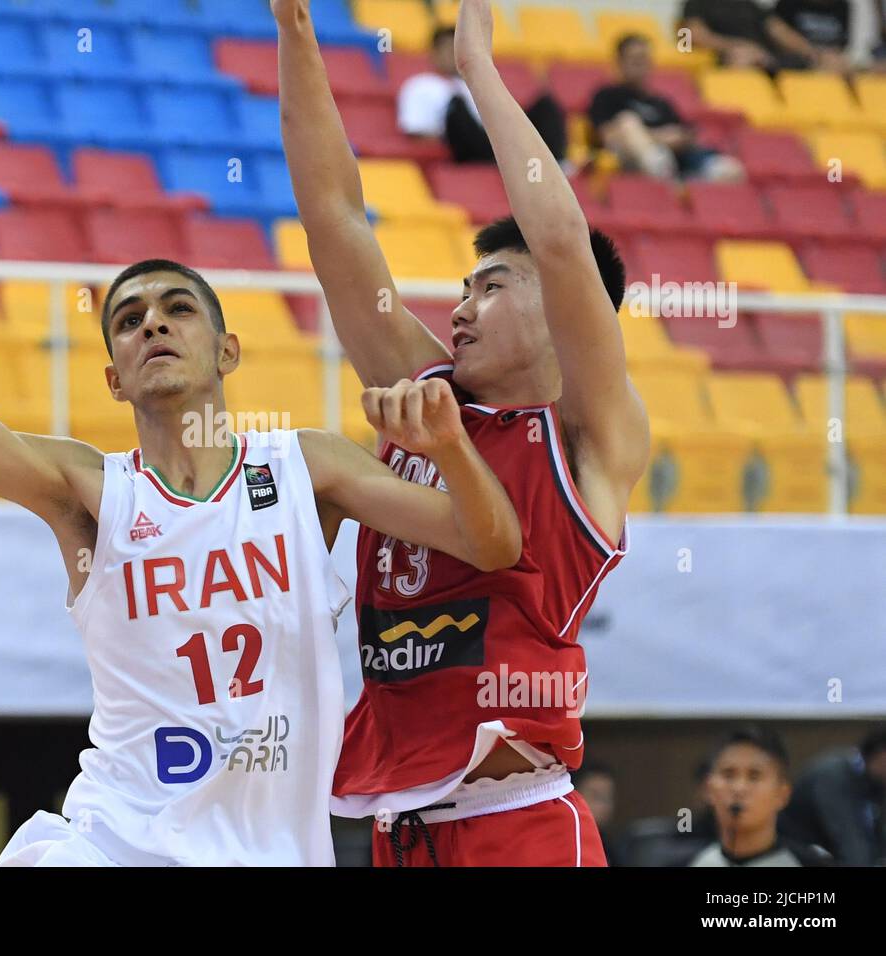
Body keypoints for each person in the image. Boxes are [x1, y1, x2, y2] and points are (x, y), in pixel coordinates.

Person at [0, 84, 524, 866]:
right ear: (113, 377)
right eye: (130, 321)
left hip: (267, 848)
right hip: (111, 841)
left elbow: (490, 545)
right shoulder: (91, 492)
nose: (153, 325)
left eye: (177, 309)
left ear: (227, 350)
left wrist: (451, 445)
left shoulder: (302, 468)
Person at [277, 0, 650, 867]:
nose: (461, 306)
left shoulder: (591, 436)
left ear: (559, 310)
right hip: (397, 830)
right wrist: (296, 35)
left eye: (491, 286)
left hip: (518, 822)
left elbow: (561, 243)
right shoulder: (423, 387)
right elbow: (334, 220)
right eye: (463, 287)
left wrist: (476, 65)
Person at [397, 25, 568, 165]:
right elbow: (417, 131)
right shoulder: (419, 85)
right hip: (462, 146)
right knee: (456, 104)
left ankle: (555, 163)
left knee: (546, 105)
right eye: (448, 49)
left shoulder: (472, 85)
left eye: (458, 48)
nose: (454, 54)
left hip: (493, 137)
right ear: (434, 53)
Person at [590, 35, 746, 183]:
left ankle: (688, 189)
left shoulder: (661, 102)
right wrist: (660, 138)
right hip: (634, 158)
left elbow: (683, 133)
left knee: (732, 170)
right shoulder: (606, 95)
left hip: (679, 158)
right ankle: (661, 169)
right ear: (620, 62)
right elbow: (607, 136)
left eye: (645, 60)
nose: (641, 66)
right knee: (627, 122)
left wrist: (678, 139)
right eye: (635, 60)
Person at [689, 727, 832, 867]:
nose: (739, 788)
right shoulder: (688, 861)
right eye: (728, 775)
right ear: (708, 789)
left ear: (782, 794)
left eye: (754, 776)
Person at [780, 725, 886, 865]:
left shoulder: (875, 782)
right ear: (880, 753)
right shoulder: (833, 776)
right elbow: (852, 847)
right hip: (791, 855)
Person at [680, 0, 829, 71]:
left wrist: (815, 53)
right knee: (742, 58)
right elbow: (690, 35)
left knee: (823, 65)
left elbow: (781, 32)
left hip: (766, 57)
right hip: (726, 58)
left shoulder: (750, 5)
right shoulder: (697, 3)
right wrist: (736, 46)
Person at [775, 0, 856, 73]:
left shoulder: (841, 6)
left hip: (831, 62)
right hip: (797, 62)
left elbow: (841, 43)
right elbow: (781, 38)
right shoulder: (788, 4)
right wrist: (815, 56)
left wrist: (831, 58)